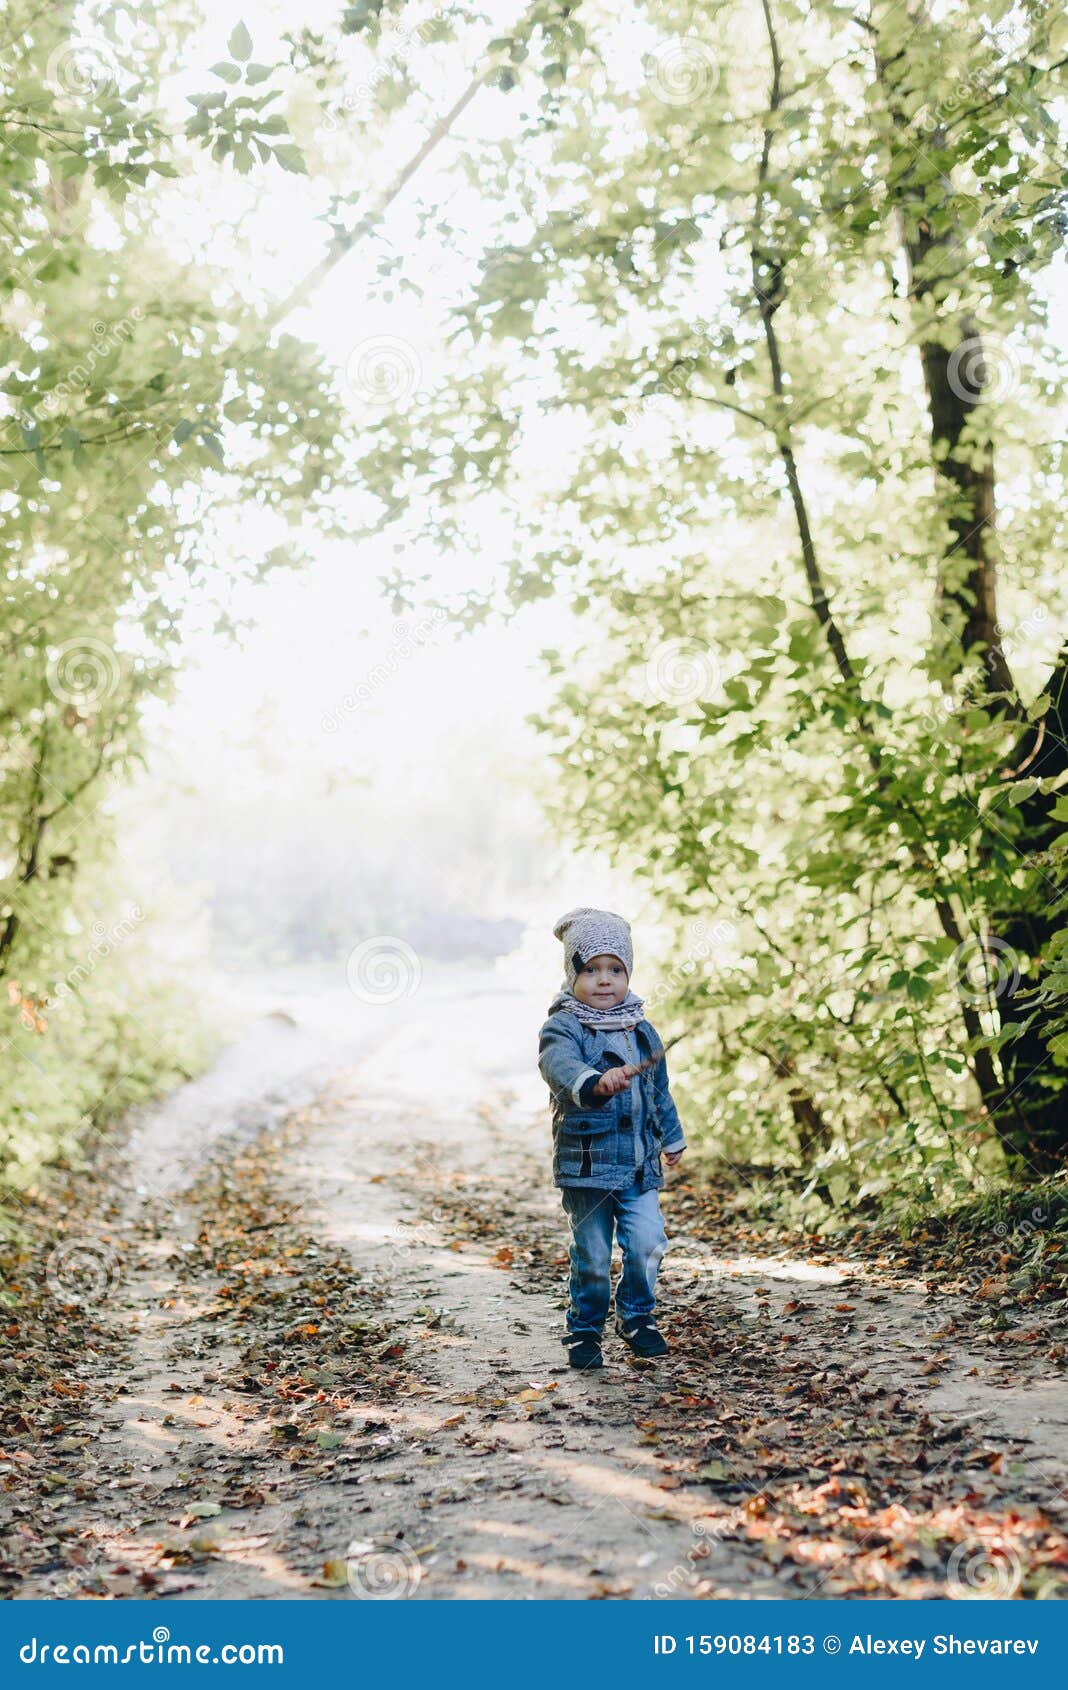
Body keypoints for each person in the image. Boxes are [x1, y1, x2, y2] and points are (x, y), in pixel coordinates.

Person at [537, 907, 687, 1371]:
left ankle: (637, 1318)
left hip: (639, 1164)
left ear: (628, 973)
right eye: (591, 970)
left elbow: (658, 1090)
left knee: (646, 1242)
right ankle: (584, 1331)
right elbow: (557, 1065)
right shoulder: (564, 1026)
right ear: (573, 973)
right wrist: (592, 1082)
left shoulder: (641, 1028)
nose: (604, 980)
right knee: (594, 1255)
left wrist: (672, 1136)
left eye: (615, 969)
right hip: (588, 1166)